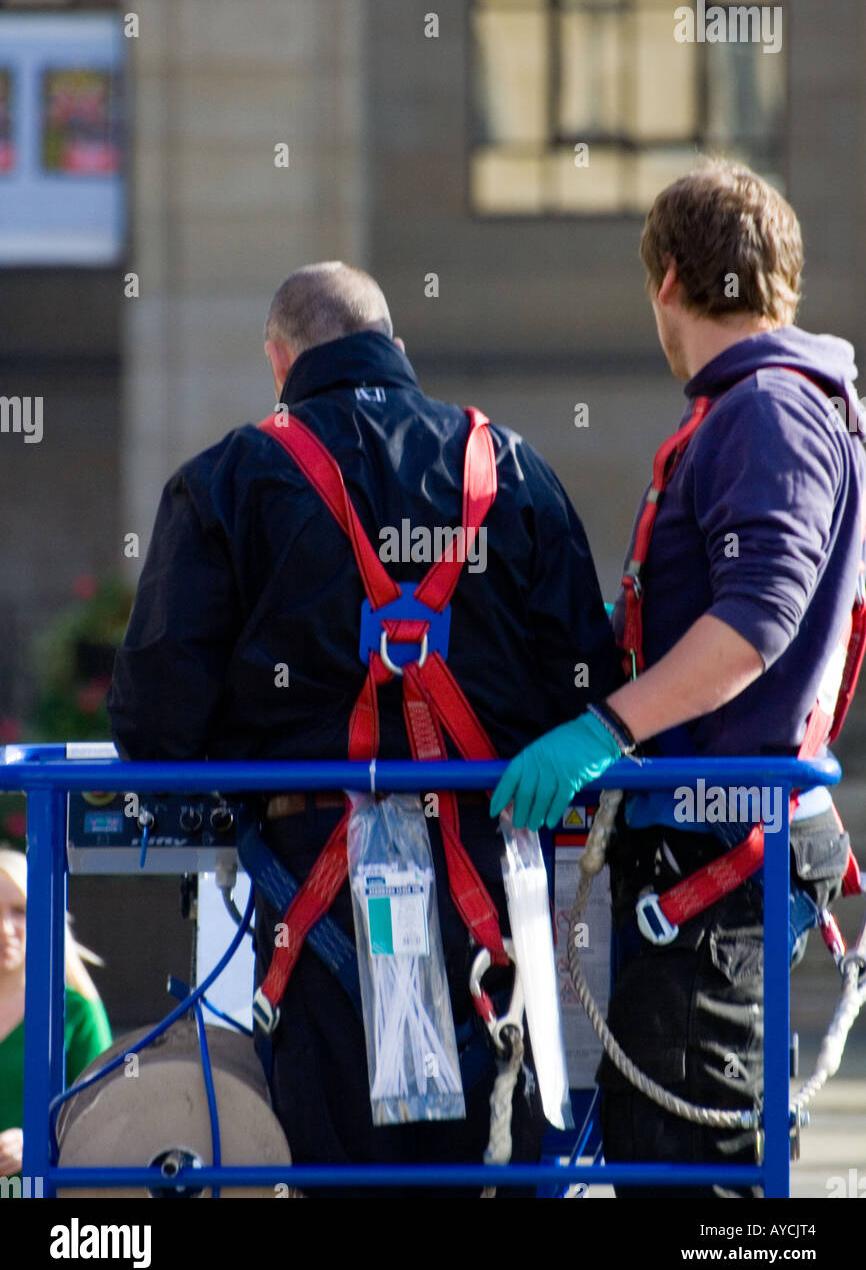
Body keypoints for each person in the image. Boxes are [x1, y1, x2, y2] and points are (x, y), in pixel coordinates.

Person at [107, 261, 621, 1195]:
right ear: (397, 345)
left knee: (336, 1166)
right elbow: (584, 678)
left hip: (311, 885)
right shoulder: (508, 468)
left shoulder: (228, 482)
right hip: (492, 871)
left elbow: (155, 720)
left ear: (279, 361)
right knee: (492, 1153)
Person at [491, 159, 866, 1197]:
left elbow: (752, 625)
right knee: (679, 1162)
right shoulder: (783, 405)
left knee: (691, 1183)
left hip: (708, 858)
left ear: (664, 282)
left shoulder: (762, 412)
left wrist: (600, 730)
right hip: (711, 856)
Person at [0, 846, 112, 1177]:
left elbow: (105, 1112)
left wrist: (39, 1141)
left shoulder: (75, 1011)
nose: (5, 928)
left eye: (19, 911)